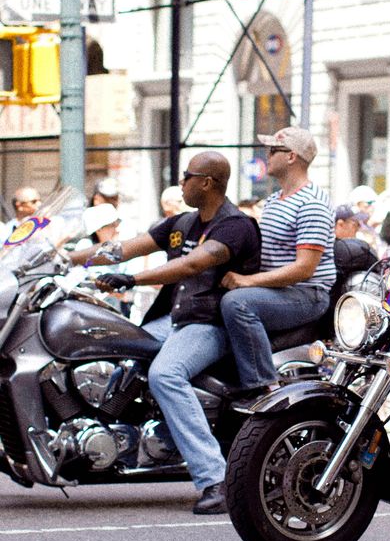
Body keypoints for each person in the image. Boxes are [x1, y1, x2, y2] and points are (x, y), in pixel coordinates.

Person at [70, 151, 261, 515]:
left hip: (211, 323)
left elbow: (192, 264)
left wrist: (131, 278)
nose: (181, 183)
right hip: (174, 319)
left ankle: (214, 479)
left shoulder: (236, 225)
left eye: (186, 176)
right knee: (110, 346)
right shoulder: (182, 223)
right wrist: (66, 258)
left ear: (206, 182)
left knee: (166, 374)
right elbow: (122, 249)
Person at [220, 127, 335, 395]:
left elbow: (304, 268)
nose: (267, 154)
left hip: (306, 294)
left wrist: (248, 281)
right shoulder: (273, 200)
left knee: (237, 303)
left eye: (273, 150)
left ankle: (264, 388)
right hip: (277, 290)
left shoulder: (312, 203)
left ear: (291, 156)